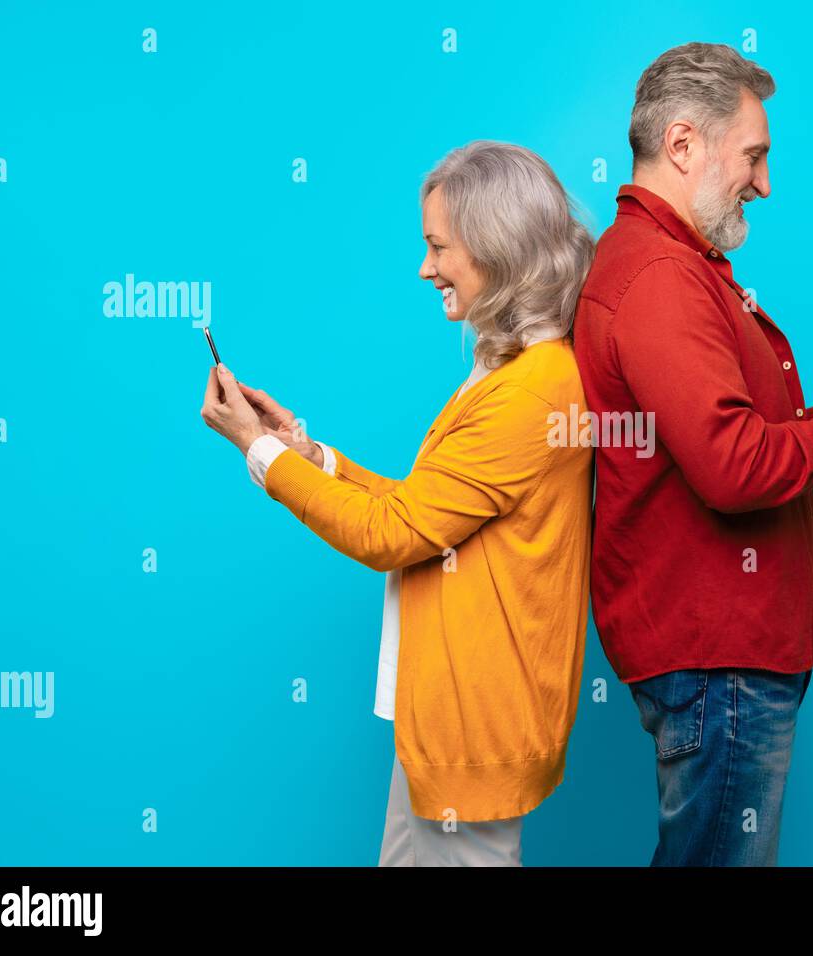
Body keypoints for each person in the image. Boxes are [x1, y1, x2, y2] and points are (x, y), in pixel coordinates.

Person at [573, 43, 813, 866]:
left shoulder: (674, 269)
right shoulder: (660, 279)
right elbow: (732, 467)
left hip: (725, 654)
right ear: (682, 146)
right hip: (719, 655)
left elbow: (727, 438)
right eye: (753, 156)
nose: (763, 182)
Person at [201, 141, 595, 866]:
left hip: (474, 729)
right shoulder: (510, 371)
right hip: (444, 721)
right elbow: (425, 509)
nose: (425, 268)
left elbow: (391, 534)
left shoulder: (530, 393)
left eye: (438, 247)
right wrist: (306, 453)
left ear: (494, 245)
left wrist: (256, 452)